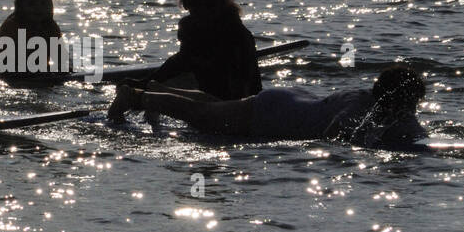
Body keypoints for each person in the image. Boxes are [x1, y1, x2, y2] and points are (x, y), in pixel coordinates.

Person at [108, 63, 427, 148]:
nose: (412, 110)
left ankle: (153, 91)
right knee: (205, 117)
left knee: (217, 108)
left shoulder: (381, 108)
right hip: (275, 114)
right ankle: (136, 98)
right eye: (410, 103)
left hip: (287, 102)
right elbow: (334, 138)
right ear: (395, 98)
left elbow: (416, 135)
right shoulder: (361, 108)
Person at [142, 0, 263, 101]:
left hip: (226, 107)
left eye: (190, 2)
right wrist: (147, 82)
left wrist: (148, 85)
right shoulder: (235, 28)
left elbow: (239, 88)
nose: (187, 7)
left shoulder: (233, 35)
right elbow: (179, 62)